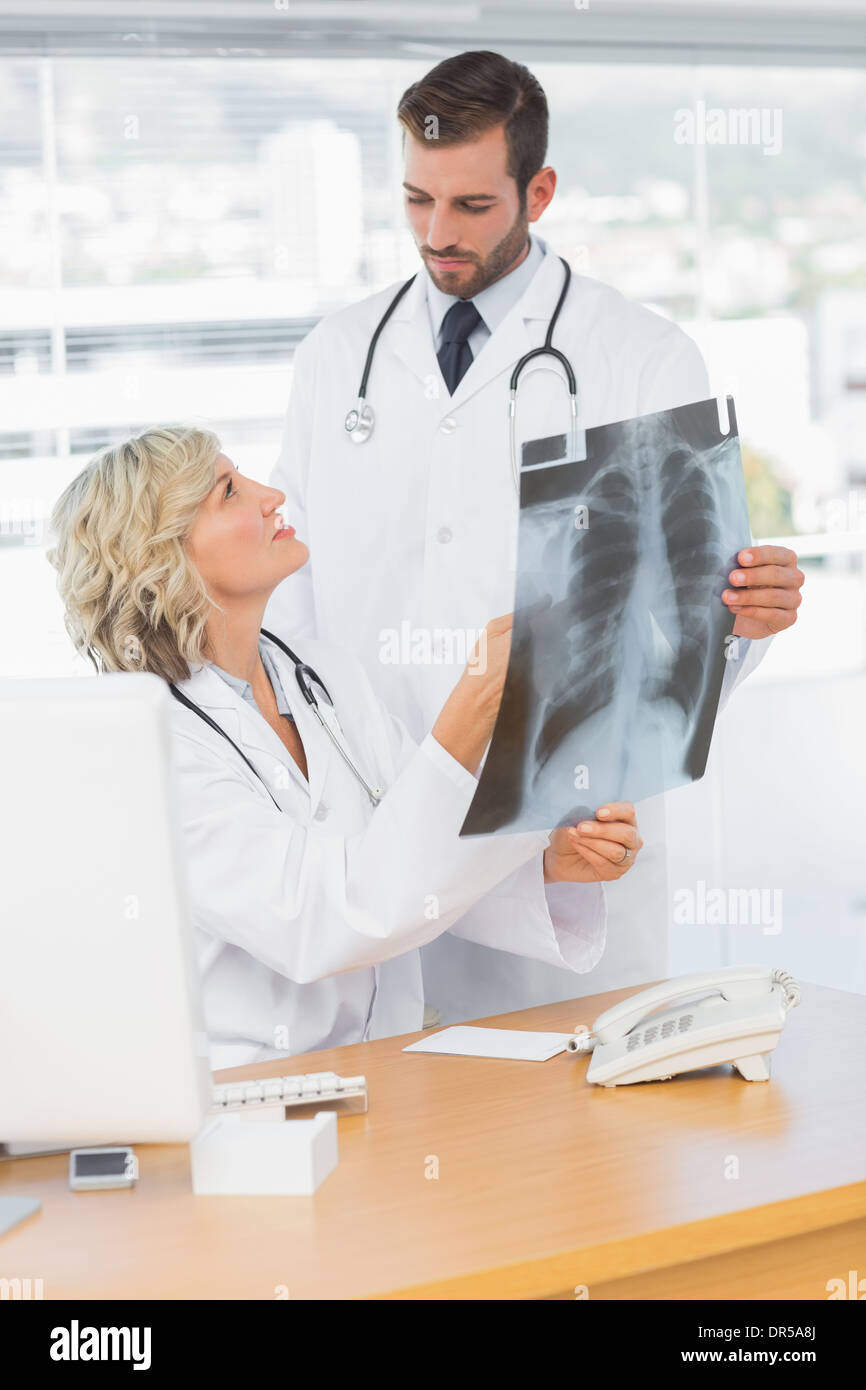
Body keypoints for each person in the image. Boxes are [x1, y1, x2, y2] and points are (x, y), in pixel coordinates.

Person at [265, 49, 805, 1021]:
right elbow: (289, 608)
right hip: (376, 853)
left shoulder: (639, 356)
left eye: (472, 205)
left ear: (538, 191)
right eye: (417, 199)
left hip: (564, 859)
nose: (437, 233)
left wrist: (743, 618)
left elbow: (682, 631)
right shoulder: (335, 359)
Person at [46, 425, 644, 1070]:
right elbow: (319, 919)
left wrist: (545, 862)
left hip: (384, 1070)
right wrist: (466, 720)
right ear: (162, 557)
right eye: (230, 492)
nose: (272, 495)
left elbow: (415, 863)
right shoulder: (151, 744)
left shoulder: (327, 677)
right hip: (250, 1091)